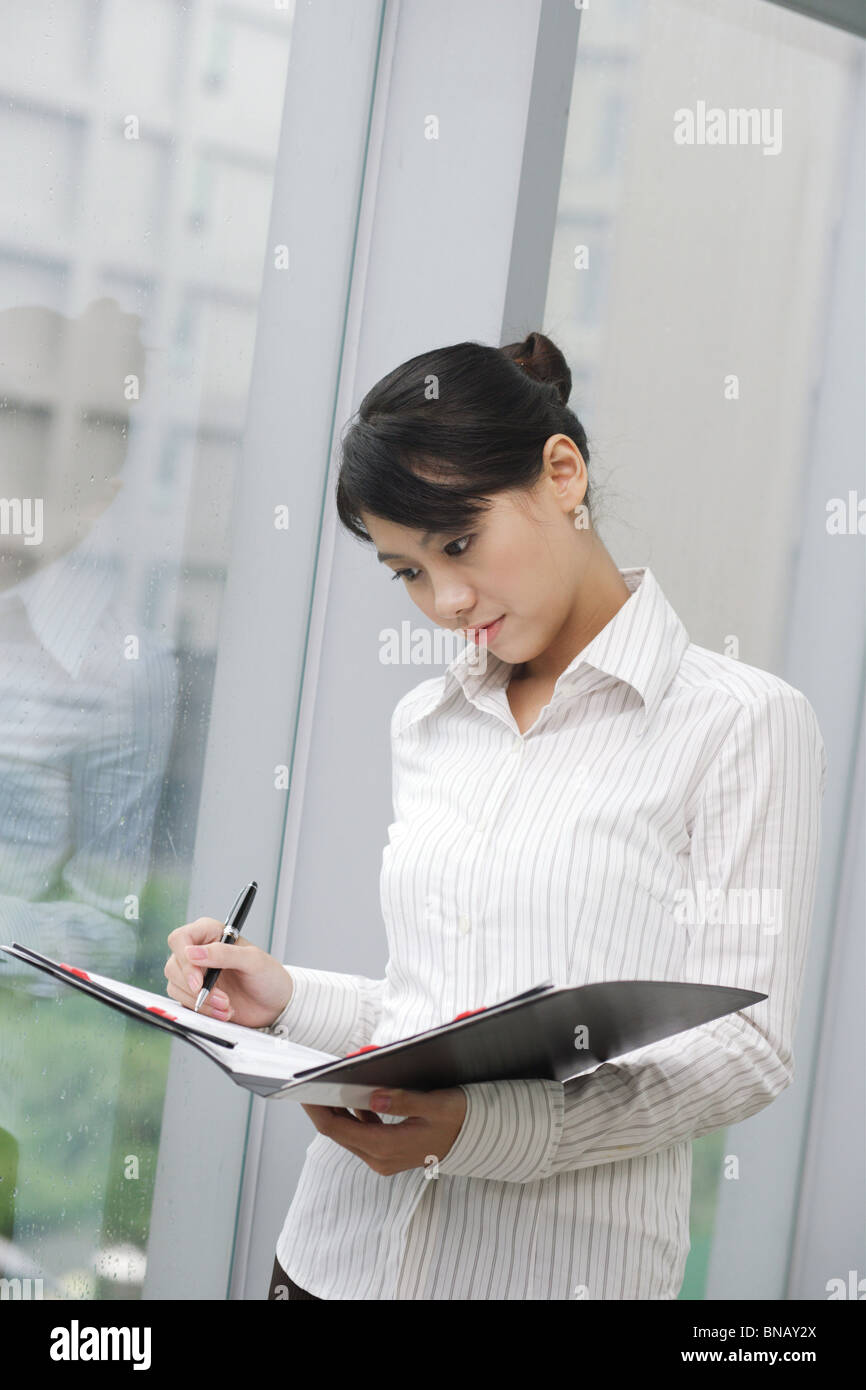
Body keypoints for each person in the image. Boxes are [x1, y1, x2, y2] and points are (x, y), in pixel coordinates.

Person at [164, 331, 827, 1300]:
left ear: (562, 474)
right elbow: (429, 1009)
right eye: (407, 571)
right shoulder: (428, 721)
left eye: (459, 543)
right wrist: (285, 996)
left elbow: (742, 1052)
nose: (446, 598)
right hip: (329, 1262)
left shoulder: (742, 723)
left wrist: (490, 1134)